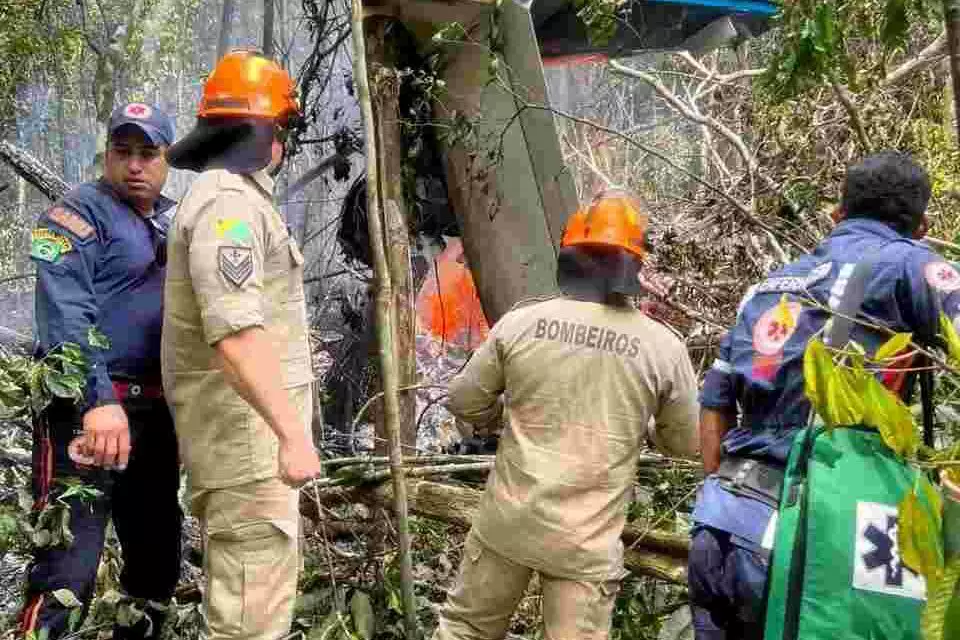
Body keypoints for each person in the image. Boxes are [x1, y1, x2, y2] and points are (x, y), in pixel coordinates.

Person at [688, 150, 960, 639]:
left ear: (837, 215)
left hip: (719, 521)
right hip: (812, 534)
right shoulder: (911, 264)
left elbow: (714, 406)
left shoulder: (768, 286)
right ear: (921, 227)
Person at [431, 190, 700, 640]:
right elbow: (686, 443)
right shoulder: (663, 347)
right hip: (585, 543)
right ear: (632, 265)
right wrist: (645, 431)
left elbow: (463, 402)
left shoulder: (521, 323)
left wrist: (503, 417)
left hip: (509, 523)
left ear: (571, 256)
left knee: (465, 630)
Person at [160, 50, 321, 640]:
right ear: (261, 130)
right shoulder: (228, 206)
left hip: (245, 451)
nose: (284, 144)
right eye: (281, 129)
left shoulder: (231, 199)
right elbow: (235, 334)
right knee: (249, 625)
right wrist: (292, 435)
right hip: (249, 452)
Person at [19, 103, 181, 640]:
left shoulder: (178, 219)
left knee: (156, 563)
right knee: (68, 567)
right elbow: (65, 316)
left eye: (148, 153)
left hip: (157, 414)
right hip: (86, 412)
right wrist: (98, 399)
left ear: (167, 159)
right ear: (107, 155)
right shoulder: (75, 217)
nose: (135, 165)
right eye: (123, 152)